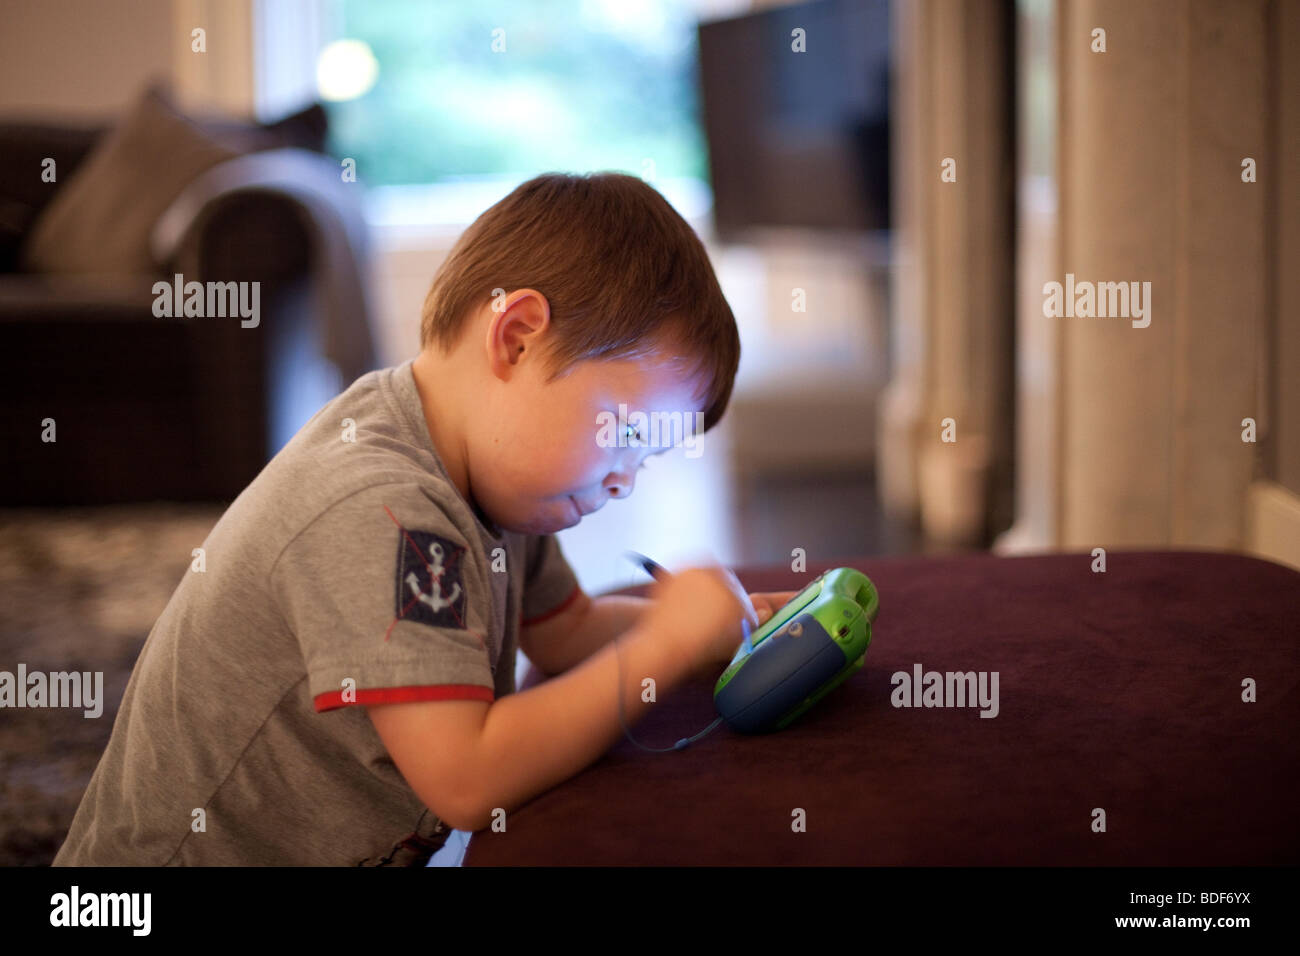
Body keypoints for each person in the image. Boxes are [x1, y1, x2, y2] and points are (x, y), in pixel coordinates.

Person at [54, 171, 794, 866]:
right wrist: (660, 650)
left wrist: (709, 630)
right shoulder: (380, 508)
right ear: (517, 337)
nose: (628, 481)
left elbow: (567, 634)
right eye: (628, 434)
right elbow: (467, 778)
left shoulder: (501, 481)